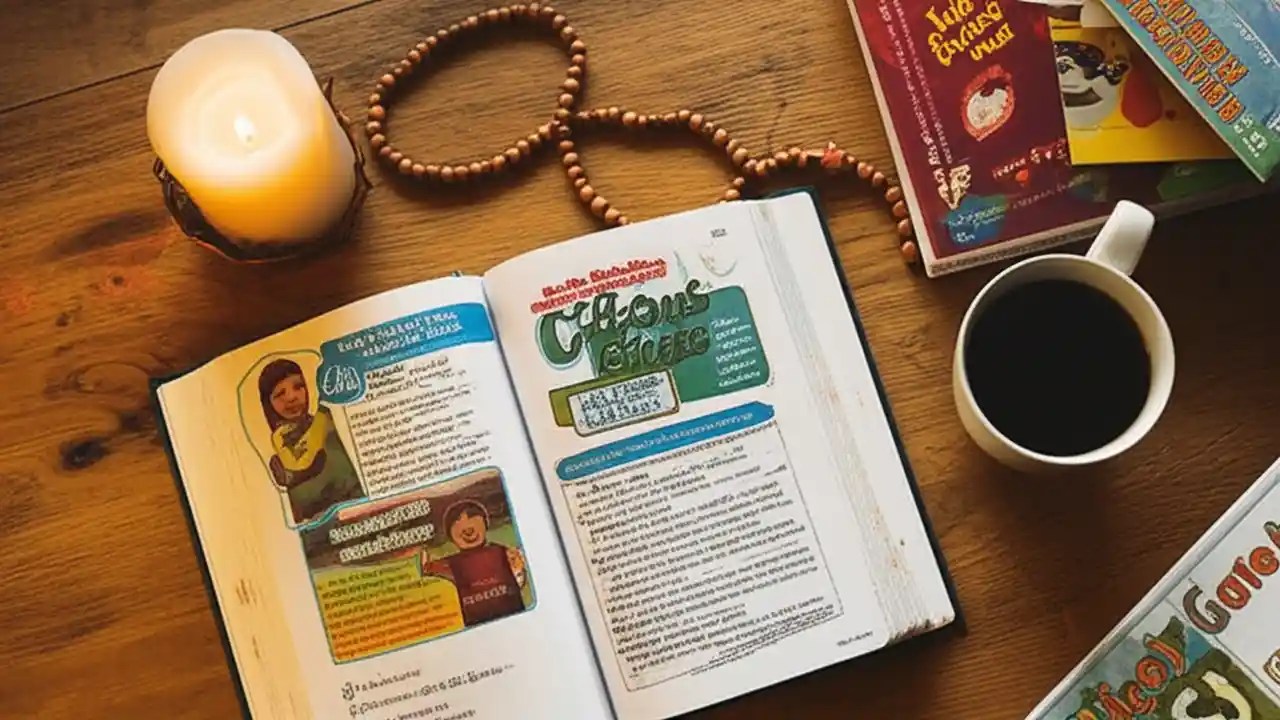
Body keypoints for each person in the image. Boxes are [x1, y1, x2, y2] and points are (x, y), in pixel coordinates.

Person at [258, 359, 363, 523]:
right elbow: (303, 464)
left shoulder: (328, 423)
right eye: (279, 394)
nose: (291, 397)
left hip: (357, 506)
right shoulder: (280, 441)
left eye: (298, 387)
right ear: (268, 404)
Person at [424, 499, 527, 627]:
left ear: (485, 524)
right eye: (457, 523)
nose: (467, 529)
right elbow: (431, 574)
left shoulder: (504, 553)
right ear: (450, 535)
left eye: (472, 516)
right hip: (476, 625)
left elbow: (519, 577)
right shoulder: (450, 563)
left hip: (513, 618)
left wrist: (517, 567)